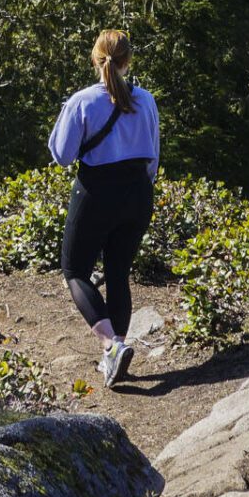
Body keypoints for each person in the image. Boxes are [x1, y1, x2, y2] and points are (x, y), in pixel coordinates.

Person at [47, 28, 160, 388]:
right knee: (118, 271)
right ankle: (117, 350)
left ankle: (112, 345)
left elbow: (62, 155)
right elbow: (153, 156)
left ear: (96, 59)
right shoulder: (148, 100)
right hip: (139, 192)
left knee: (75, 270)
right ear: (128, 61)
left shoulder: (82, 102)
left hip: (97, 190)